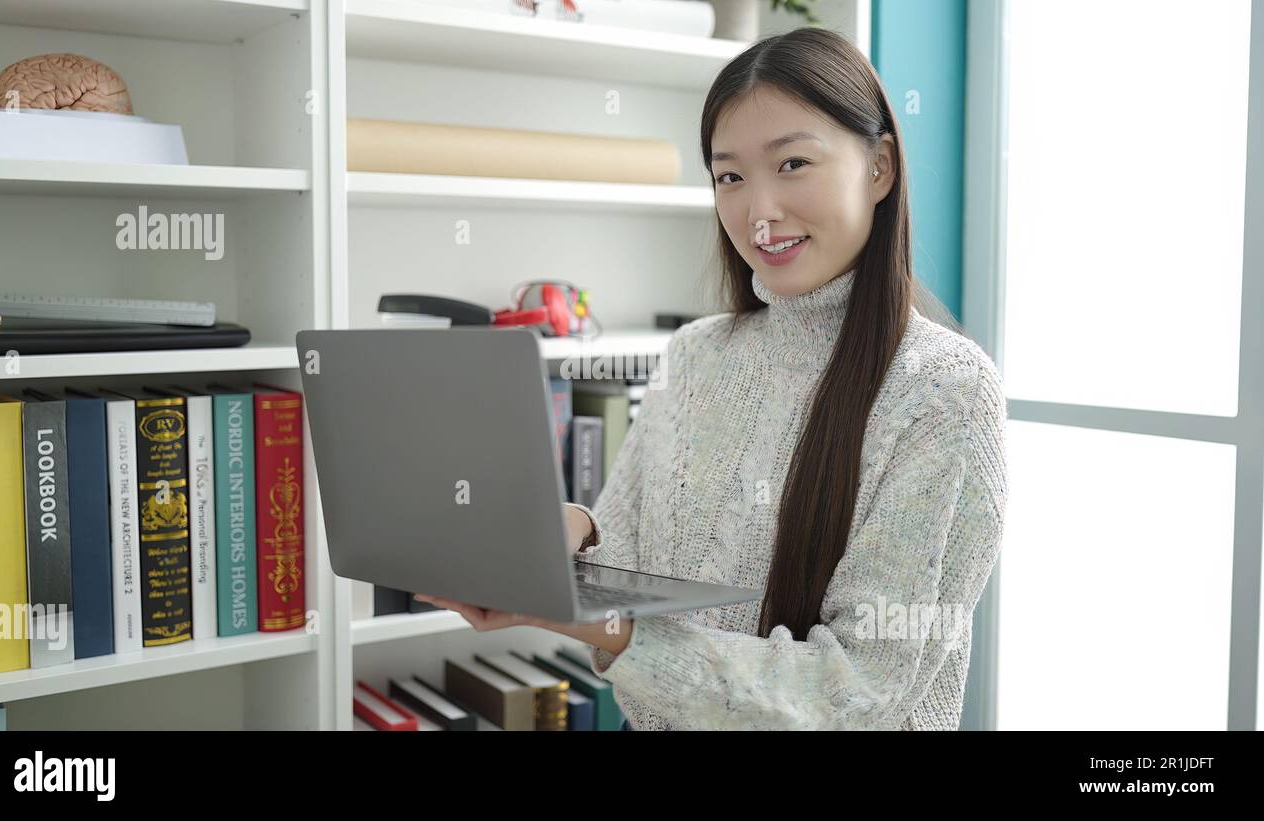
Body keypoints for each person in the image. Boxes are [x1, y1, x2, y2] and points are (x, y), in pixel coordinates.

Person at [415, 27, 1008, 731]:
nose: (759, 212)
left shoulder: (945, 390)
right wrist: (557, 539)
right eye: (730, 176)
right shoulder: (696, 354)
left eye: (791, 163)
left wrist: (605, 627)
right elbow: (631, 557)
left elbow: (854, 692)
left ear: (879, 166)